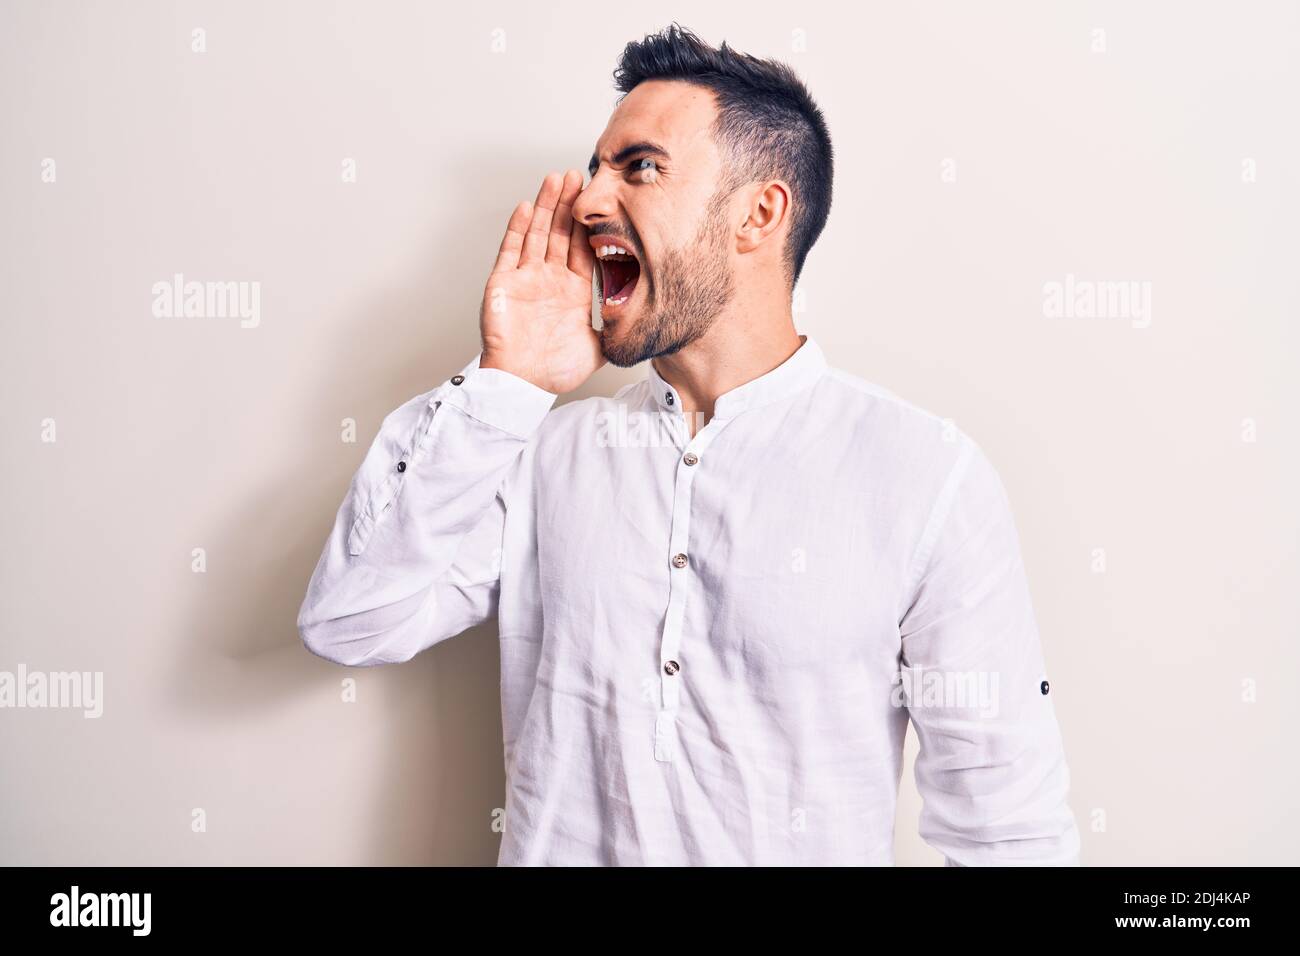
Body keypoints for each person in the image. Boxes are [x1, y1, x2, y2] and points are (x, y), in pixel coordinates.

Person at [297, 24, 1081, 866]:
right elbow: (349, 624)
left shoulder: (927, 477)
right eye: (596, 168)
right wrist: (508, 381)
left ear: (760, 213)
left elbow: (1007, 833)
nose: (590, 202)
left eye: (639, 167)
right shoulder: (536, 453)